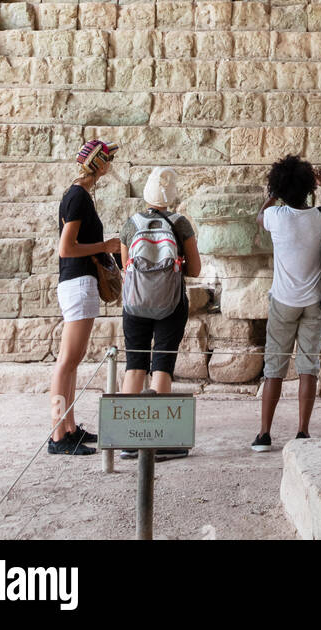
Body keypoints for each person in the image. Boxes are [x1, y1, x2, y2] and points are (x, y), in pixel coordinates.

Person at [252, 156, 321, 451]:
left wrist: (272, 195)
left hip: (283, 301)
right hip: (314, 302)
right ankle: (302, 432)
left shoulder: (277, 217)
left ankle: (264, 434)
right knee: (309, 367)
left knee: (274, 368)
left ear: (281, 188)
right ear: (310, 187)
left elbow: (260, 217)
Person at [118, 167, 200, 461]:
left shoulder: (131, 223)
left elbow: (126, 266)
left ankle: (126, 439)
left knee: (134, 365)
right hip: (171, 303)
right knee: (162, 364)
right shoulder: (181, 223)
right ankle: (159, 439)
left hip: (135, 304)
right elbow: (196, 269)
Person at [49, 140, 121, 455]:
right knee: (66, 361)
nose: (111, 165)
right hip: (77, 281)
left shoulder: (79, 194)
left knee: (73, 361)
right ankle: (57, 435)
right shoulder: (78, 196)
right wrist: (106, 247)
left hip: (80, 282)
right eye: (108, 160)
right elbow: (67, 248)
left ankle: (70, 428)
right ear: (99, 164)